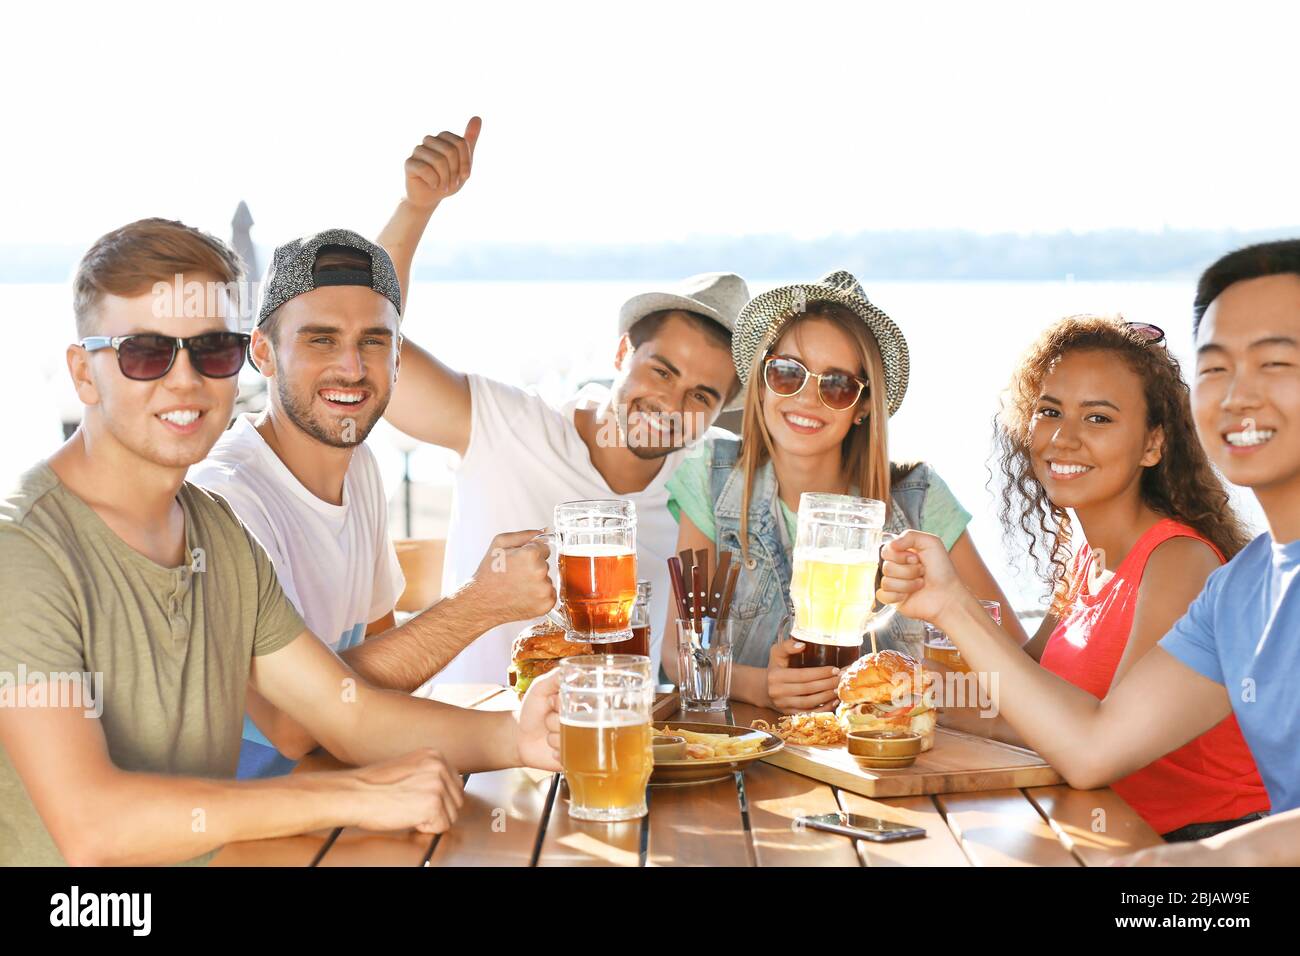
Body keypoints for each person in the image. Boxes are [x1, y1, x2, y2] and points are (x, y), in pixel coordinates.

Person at [0, 218, 561, 866]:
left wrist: (519, 738)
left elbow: (342, 712)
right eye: (146, 351)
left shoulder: (217, 533)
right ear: (84, 374)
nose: (185, 381)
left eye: (212, 350)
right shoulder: (24, 551)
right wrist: (355, 796)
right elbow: (92, 827)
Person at [877, 240, 1300, 866]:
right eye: (1216, 367)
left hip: (1185, 833)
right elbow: (1086, 741)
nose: (1238, 395)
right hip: (1127, 839)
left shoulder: (1182, 563)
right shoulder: (1237, 589)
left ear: (1155, 443)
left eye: (1275, 364)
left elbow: (1085, 745)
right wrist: (940, 659)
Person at [191, 123, 555, 778]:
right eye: (321, 340)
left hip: (349, 794)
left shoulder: (359, 469)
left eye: (375, 342)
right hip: (244, 824)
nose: (352, 368)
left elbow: (382, 672)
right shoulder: (227, 500)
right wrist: (477, 607)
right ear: (264, 353)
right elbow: (297, 725)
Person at [379, 121, 748, 681]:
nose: (671, 405)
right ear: (622, 351)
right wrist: (415, 208)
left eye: (700, 395)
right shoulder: (511, 426)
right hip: (478, 758)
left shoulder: (711, 481)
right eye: (661, 371)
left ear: (721, 408)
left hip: (625, 755)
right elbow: (377, 357)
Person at [937, 314, 1266, 840]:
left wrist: (951, 605)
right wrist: (898, 694)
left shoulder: (1181, 564)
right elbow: (1014, 702)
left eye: (1098, 418)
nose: (1064, 438)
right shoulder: (1085, 559)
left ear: (1152, 446)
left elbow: (1096, 752)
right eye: (1050, 411)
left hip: (1202, 849)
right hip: (1104, 833)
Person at [663, 270, 1024, 712]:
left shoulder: (920, 501)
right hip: (753, 763)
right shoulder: (712, 481)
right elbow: (678, 655)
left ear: (864, 406)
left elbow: (1016, 659)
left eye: (836, 385)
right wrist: (762, 686)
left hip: (891, 766)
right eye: (787, 373)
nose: (807, 399)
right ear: (761, 380)